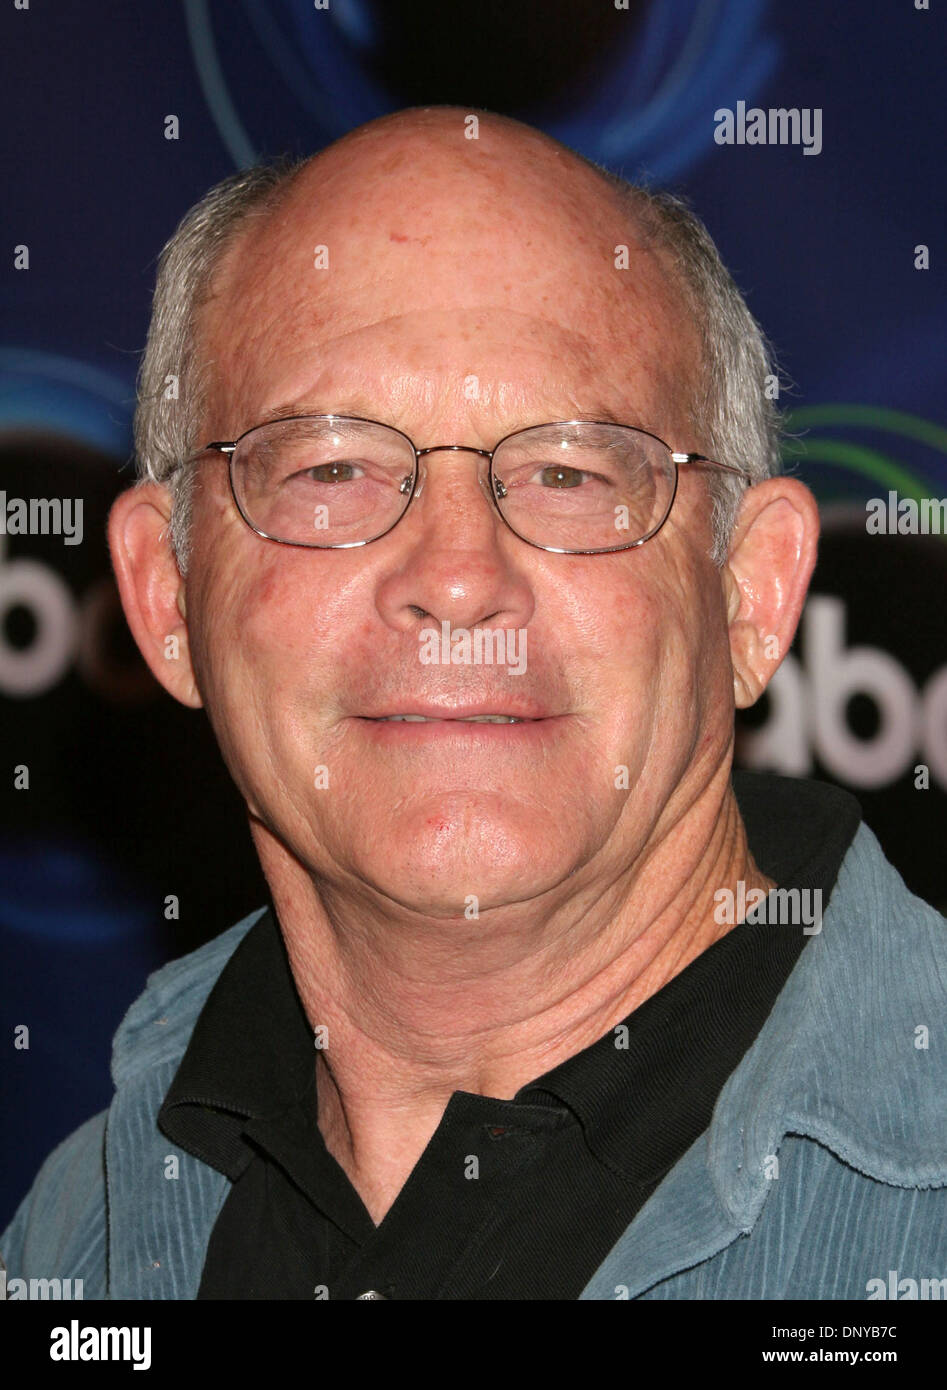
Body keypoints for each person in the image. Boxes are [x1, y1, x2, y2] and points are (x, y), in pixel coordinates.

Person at [3, 107, 944, 1301]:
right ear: (165, 594)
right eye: (330, 468)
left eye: (567, 471)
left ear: (749, 599)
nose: (454, 575)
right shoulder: (80, 1241)